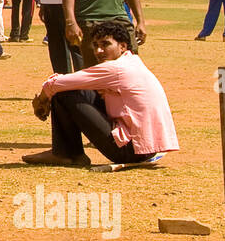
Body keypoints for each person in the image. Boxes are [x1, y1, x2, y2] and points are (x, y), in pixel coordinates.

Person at [24, 19, 179, 167]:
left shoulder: (115, 68)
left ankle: (66, 153)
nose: (98, 51)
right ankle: (67, 152)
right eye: (96, 45)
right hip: (147, 148)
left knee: (64, 93)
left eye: (105, 44)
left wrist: (41, 101)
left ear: (123, 46)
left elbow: (55, 84)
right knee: (77, 89)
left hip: (131, 151)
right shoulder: (132, 62)